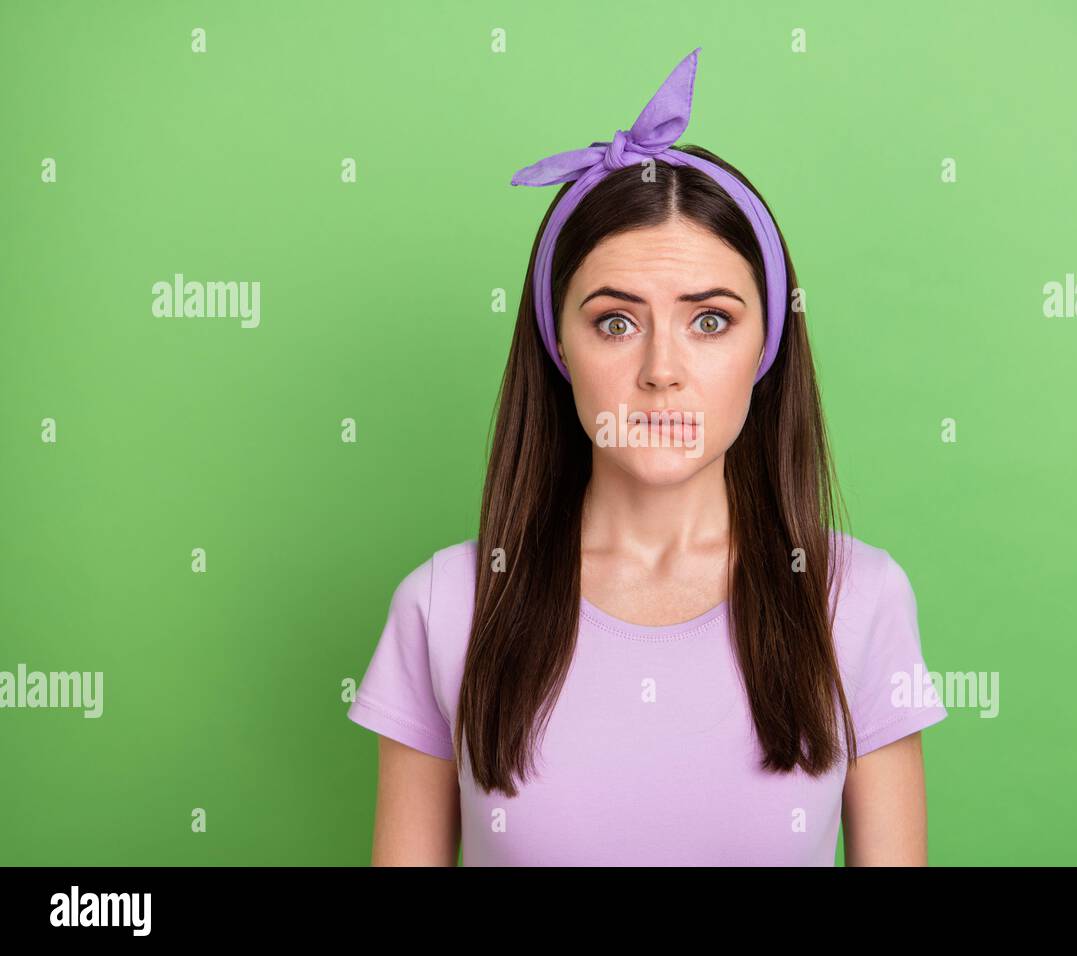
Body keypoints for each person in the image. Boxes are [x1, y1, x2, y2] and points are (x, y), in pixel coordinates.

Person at [348, 47, 948, 866]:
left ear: (766, 345)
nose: (662, 370)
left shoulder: (859, 600)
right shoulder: (445, 606)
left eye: (710, 321)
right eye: (615, 321)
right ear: (559, 346)